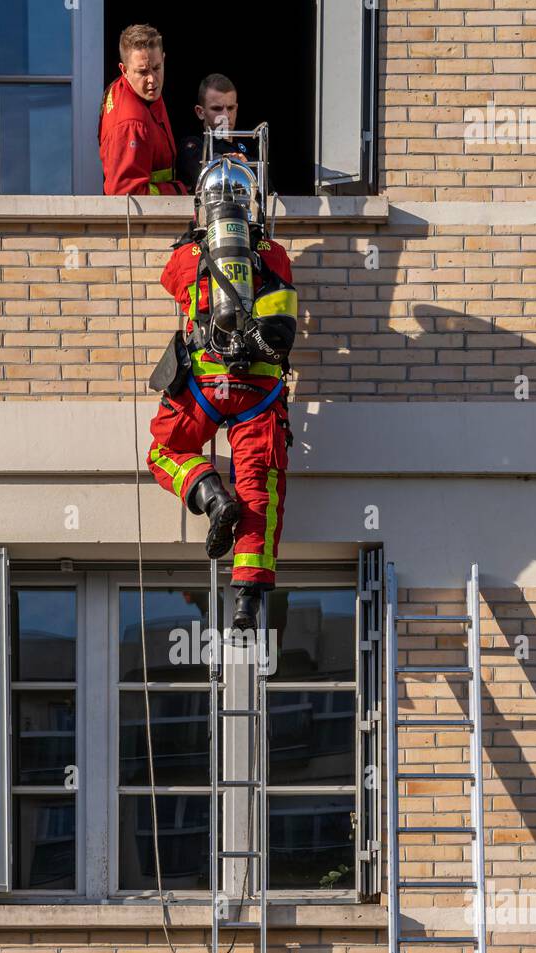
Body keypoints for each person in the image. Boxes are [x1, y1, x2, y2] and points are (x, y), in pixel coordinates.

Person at [145, 159, 298, 632]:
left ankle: (211, 496)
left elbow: (172, 281)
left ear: (201, 209)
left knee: (165, 451)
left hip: (207, 382)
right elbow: (284, 307)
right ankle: (246, 601)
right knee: (261, 488)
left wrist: (196, 243)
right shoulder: (273, 252)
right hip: (260, 389)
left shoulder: (189, 254)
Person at [99, 24, 188, 196]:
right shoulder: (131, 124)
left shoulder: (138, 91)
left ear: (163, 59)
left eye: (156, 68)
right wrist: (178, 190)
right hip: (146, 220)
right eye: (142, 72)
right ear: (124, 70)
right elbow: (125, 196)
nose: (152, 80)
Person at [176, 73, 250, 194]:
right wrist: (235, 163)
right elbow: (200, 169)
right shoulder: (192, 146)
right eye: (217, 108)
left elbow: (269, 188)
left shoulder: (249, 146)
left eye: (230, 108)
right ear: (200, 112)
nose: (226, 115)